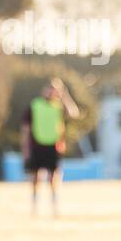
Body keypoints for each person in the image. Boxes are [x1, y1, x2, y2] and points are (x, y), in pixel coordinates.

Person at [21, 78, 80, 216]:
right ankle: (34, 206)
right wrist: (25, 148)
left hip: (54, 146)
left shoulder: (59, 106)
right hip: (37, 145)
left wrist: (64, 96)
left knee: (54, 178)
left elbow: (74, 114)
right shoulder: (35, 105)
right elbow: (25, 128)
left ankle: (54, 206)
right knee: (36, 178)